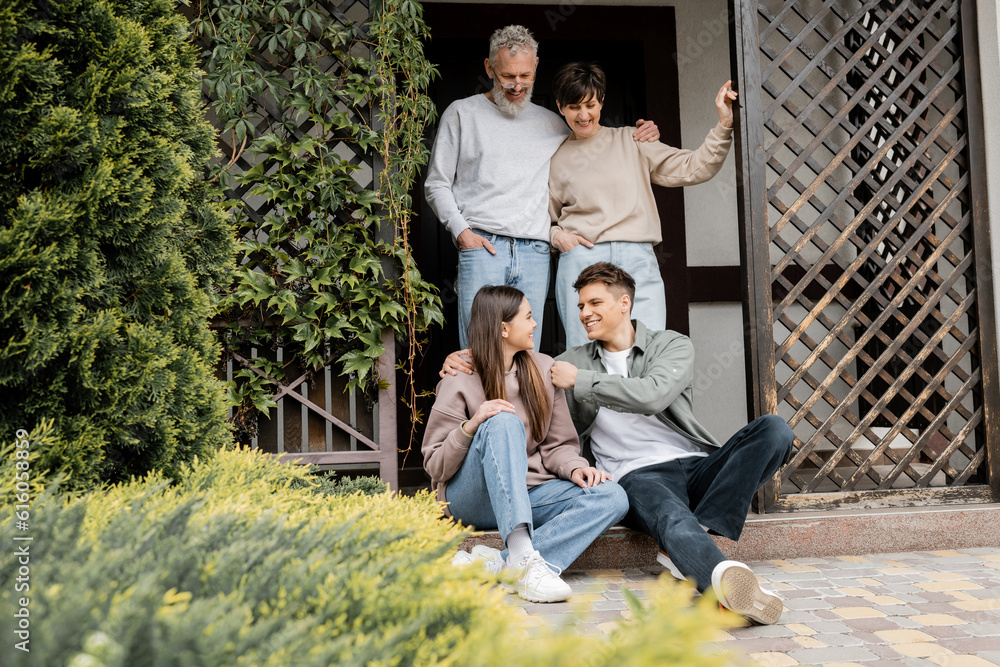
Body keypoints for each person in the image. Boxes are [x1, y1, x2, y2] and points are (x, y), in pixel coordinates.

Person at [441, 264, 794, 625]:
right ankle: (723, 586)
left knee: (775, 430)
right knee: (670, 516)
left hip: (695, 463)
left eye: (594, 303)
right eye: (580, 306)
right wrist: (466, 355)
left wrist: (582, 381)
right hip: (636, 474)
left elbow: (653, 395)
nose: (584, 313)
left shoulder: (671, 345)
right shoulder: (564, 362)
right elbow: (508, 358)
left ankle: (697, 532)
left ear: (624, 303)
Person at [424, 26, 659, 349]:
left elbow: (592, 145)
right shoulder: (462, 114)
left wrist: (641, 133)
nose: (517, 85)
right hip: (483, 248)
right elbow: (436, 184)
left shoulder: (554, 123)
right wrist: (462, 232)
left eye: (525, 75)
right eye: (507, 76)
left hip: (534, 252)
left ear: (536, 66)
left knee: (526, 351)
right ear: (489, 68)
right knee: (480, 347)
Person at [422, 284, 628, 603]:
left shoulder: (543, 369)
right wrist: (472, 425)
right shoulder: (459, 377)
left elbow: (558, 444)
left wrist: (575, 468)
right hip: (470, 500)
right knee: (503, 420)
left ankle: (500, 563)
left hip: (528, 492)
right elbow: (435, 465)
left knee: (612, 496)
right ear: (503, 328)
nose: (534, 324)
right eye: (528, 317)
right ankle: (520, 552)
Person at [548, 62, 737, 348]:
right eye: (574, 107)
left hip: (636, 258)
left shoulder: (633, 140)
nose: (583, 114)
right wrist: (556, 236)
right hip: (582, 258)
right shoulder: (554, 156)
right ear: (561, 106)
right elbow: (538, 215)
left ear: (601, 102)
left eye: (590, 104)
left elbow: (694, 167)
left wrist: (724, 123)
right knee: (585, 357)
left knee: (647, 349)